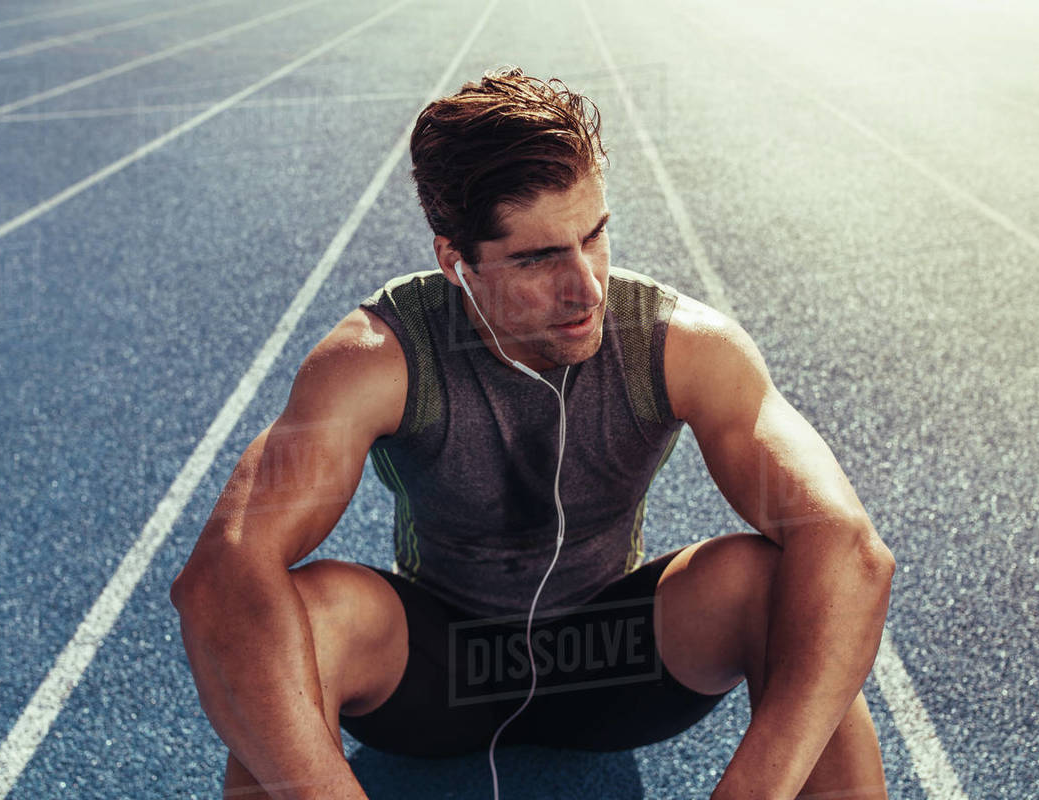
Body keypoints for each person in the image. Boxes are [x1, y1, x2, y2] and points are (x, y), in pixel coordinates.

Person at [170, 66, 896, 800]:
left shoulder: (683, 347)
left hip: (614, 661)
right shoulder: (378, 360)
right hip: (438, 668)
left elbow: (851, 548)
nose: (585, 288)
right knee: (295, 619)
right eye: (539, 258)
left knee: (783, 589)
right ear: (455, 261)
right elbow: (219, 578)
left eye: (595, 235)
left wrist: (752, 793)